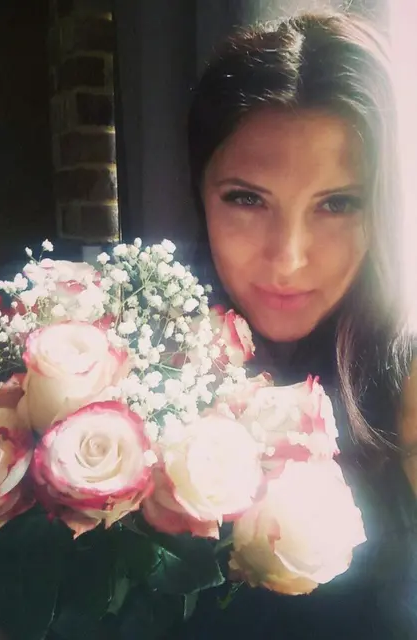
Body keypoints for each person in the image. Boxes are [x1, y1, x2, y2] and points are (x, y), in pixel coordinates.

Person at [175, 11, 417, 640]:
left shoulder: (409, 390)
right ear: (200, 192)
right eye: (247, 198)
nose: (288, 259)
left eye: (337, 204)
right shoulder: (127, 371)